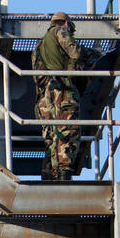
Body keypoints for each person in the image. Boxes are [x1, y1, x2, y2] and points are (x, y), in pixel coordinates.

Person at [32, 11, 93, 182]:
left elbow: (37, 76)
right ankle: (64, 174)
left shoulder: (39, 45)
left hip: (45, 97)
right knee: (67, 130)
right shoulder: (60, 31)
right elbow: (76, 53)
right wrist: (90, 55)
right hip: (62, 91)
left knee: (52, 135)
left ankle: (53, 173)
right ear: (66, 24)